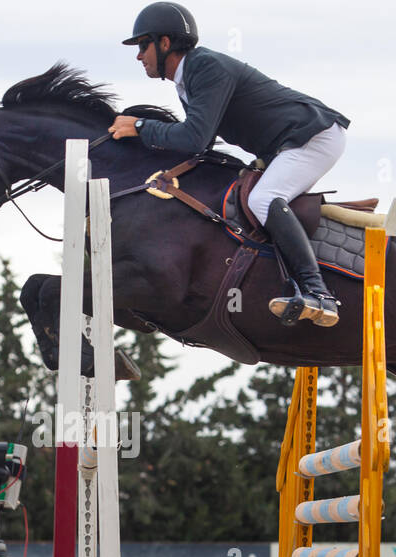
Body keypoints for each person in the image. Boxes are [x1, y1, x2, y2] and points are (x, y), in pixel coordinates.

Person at [109, 2, 349, 327]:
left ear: (165, 43)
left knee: (263, 198)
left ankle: (318, 293)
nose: (139, 55)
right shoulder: (188, 78)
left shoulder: (205, 67)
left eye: (143, 45)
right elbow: (201, 143)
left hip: (311, 136)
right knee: (250, 197)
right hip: (287, 142)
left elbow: (194, 138)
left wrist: (139, 128)